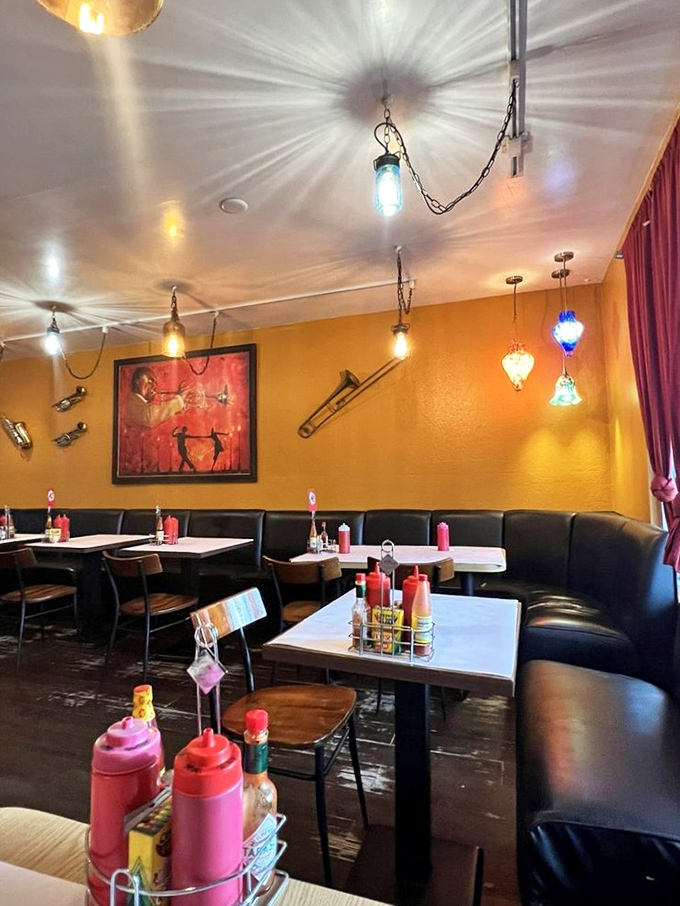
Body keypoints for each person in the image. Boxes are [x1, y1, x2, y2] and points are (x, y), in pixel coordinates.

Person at [123, 367, 190, 429]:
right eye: (150, 383)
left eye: (154, 384)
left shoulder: (140, 404)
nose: (154, 387)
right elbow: (149, 418)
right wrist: (179, 400)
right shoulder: (130, 402)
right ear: (137, 382)